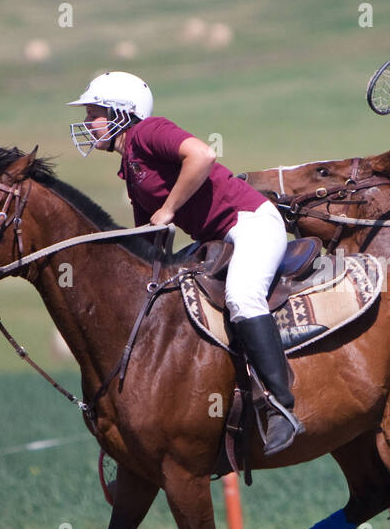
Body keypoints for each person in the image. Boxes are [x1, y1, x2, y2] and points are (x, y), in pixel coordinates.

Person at [66, 71, 303, 455]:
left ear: (121, 113)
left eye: (94, 113)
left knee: (243, 297)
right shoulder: (130, 166)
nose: (87, 123)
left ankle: (281, 407)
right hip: (216, 241)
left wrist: (169, 208)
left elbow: (203, 155)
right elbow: (147, 242)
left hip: (251, 223)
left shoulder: (149, 132)